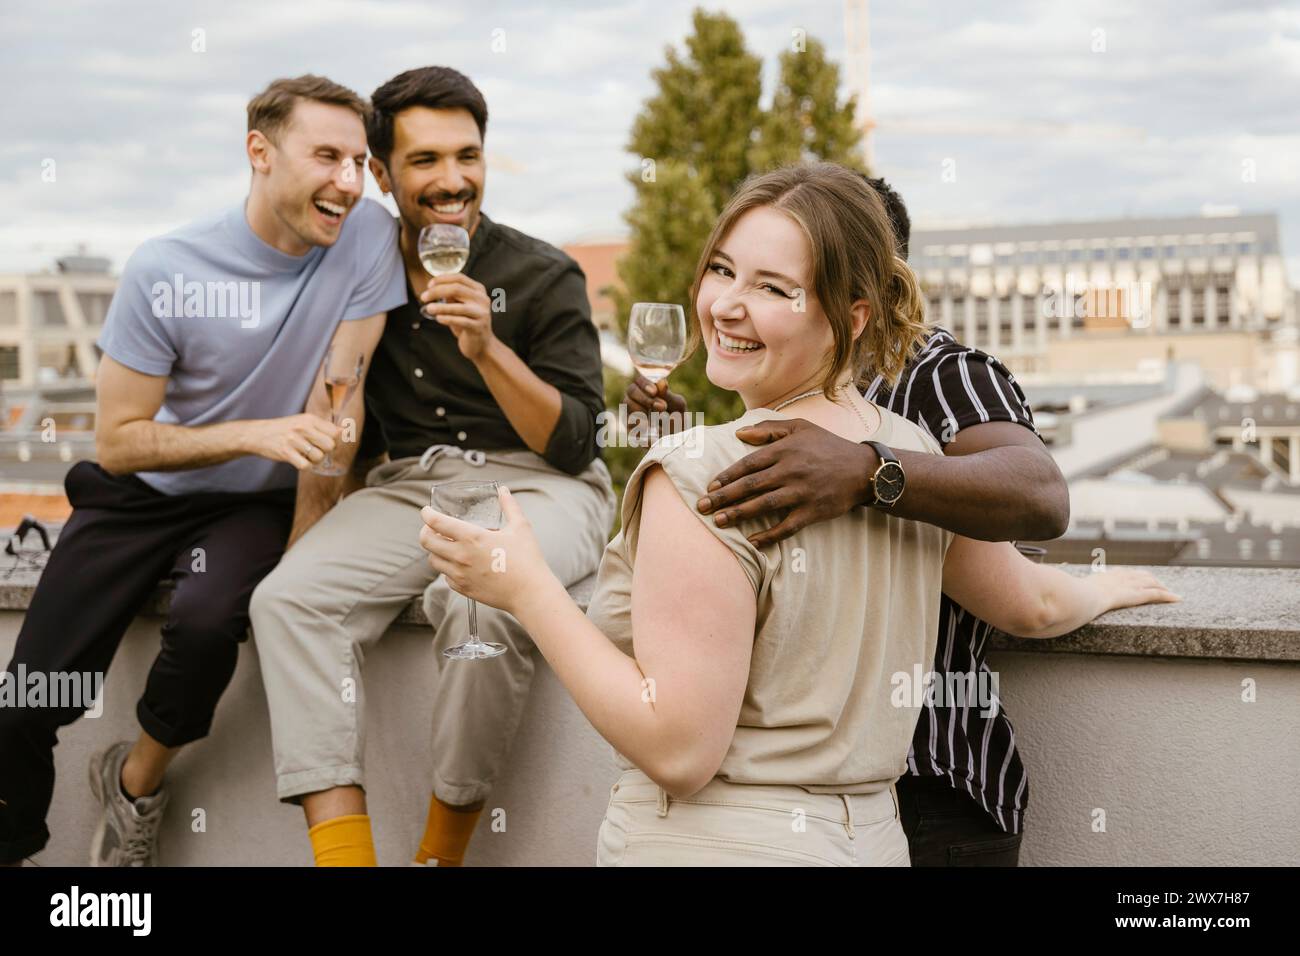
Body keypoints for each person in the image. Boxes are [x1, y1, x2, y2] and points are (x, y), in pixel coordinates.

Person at [420, 161, 1176, 866]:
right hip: (875, 844)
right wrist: (1109, 588)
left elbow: (678, 752)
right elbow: (1029, 600)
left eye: (775, 288)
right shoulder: (913, 454)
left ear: (853, 316)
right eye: (721, 270)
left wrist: (527, 590)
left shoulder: (703, 472)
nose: (726, 305)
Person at [0, 75, 406, 867]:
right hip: (138, 496)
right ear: (259, 152)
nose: (350, 181)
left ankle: (136, 785)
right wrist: (255, 433)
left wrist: (305, 551)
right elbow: (117, 440)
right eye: (327, 156)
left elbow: (341, 408)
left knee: (208, 620)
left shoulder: (365, 240)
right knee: (26, 700)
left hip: (254, 505)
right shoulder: (165, 269)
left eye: (359, 160)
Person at [249, 66, 616, 868]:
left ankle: (438, 859)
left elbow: (578, 442)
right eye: (425, 161)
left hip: (539, 482)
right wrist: (304, 532)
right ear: (381, 174)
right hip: (412, 485)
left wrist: (487, 348)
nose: (453, 181)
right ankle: (344, 861)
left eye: (468, 156)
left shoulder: (541, 273)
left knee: (482, 596)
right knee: (285, 601)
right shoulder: (361, 270)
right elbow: (339, 418)